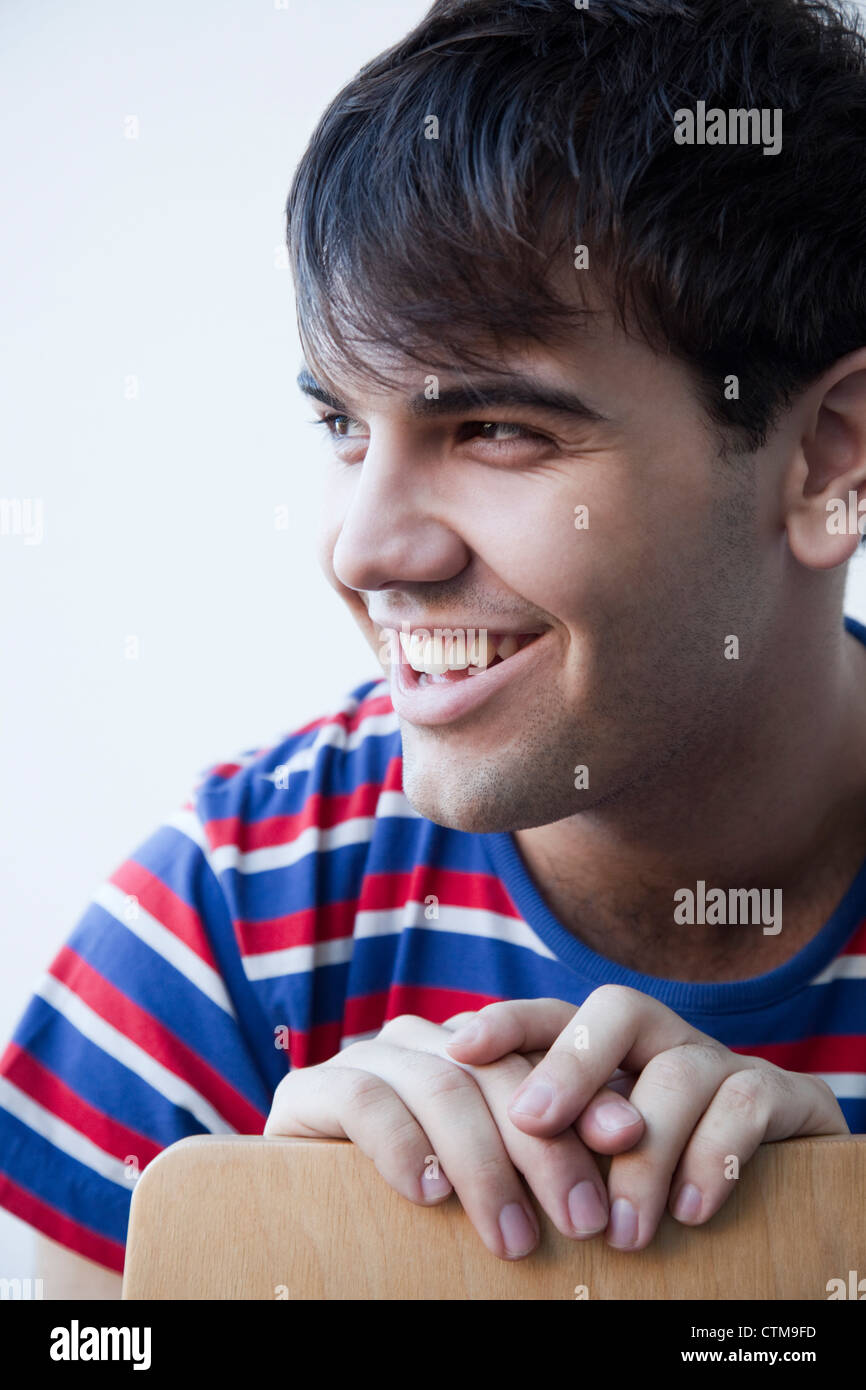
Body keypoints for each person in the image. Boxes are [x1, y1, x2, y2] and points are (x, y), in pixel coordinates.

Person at [3, 0, 866, 1298]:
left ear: (823, 458)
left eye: (496, 430)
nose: (362, 550)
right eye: (344, 426)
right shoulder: (232, 916)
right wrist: (243, 1249)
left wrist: (826, 1243)